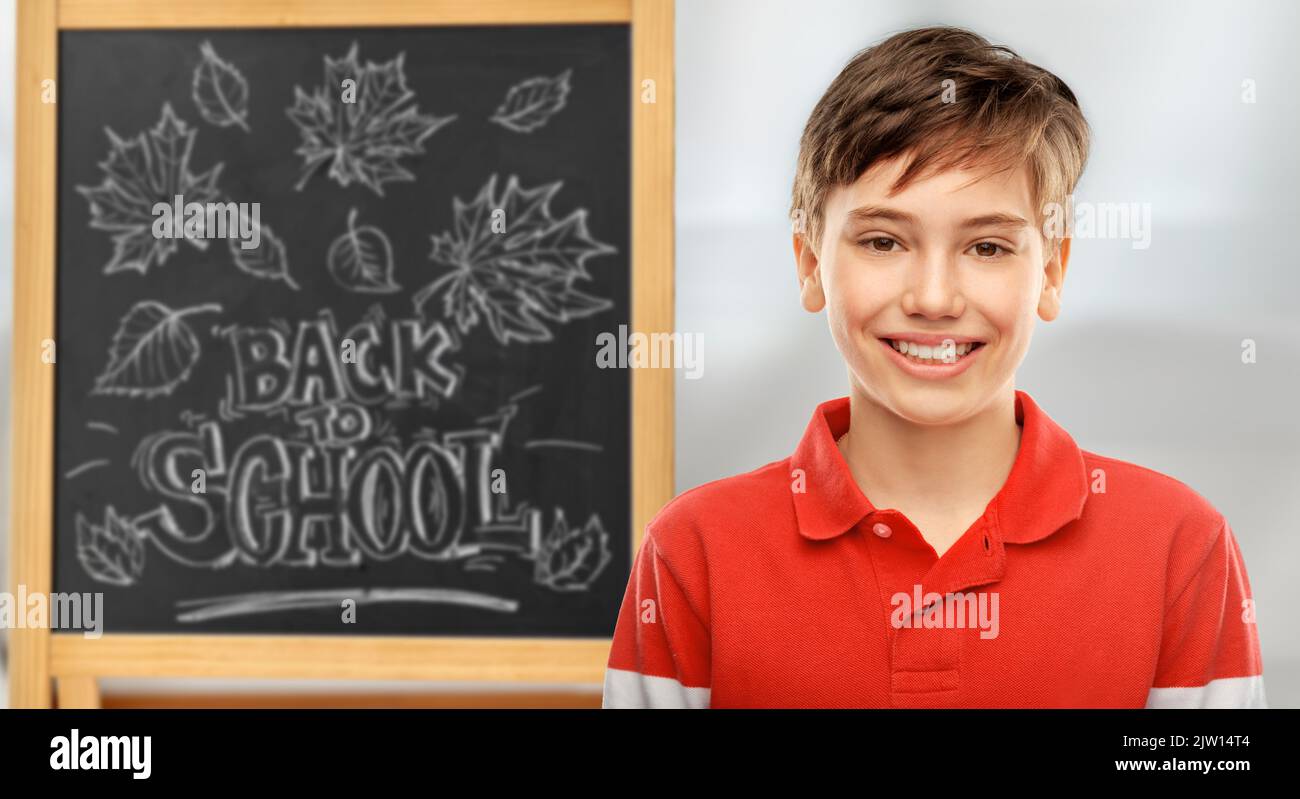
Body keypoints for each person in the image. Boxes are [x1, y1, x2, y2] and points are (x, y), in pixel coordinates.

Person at [602, 26, 1265, 708]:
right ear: (809, 261)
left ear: (1052, 271)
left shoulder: (1181, 548)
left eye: (986, 247)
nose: (933, 299)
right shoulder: (692, 553)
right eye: (884, 240)